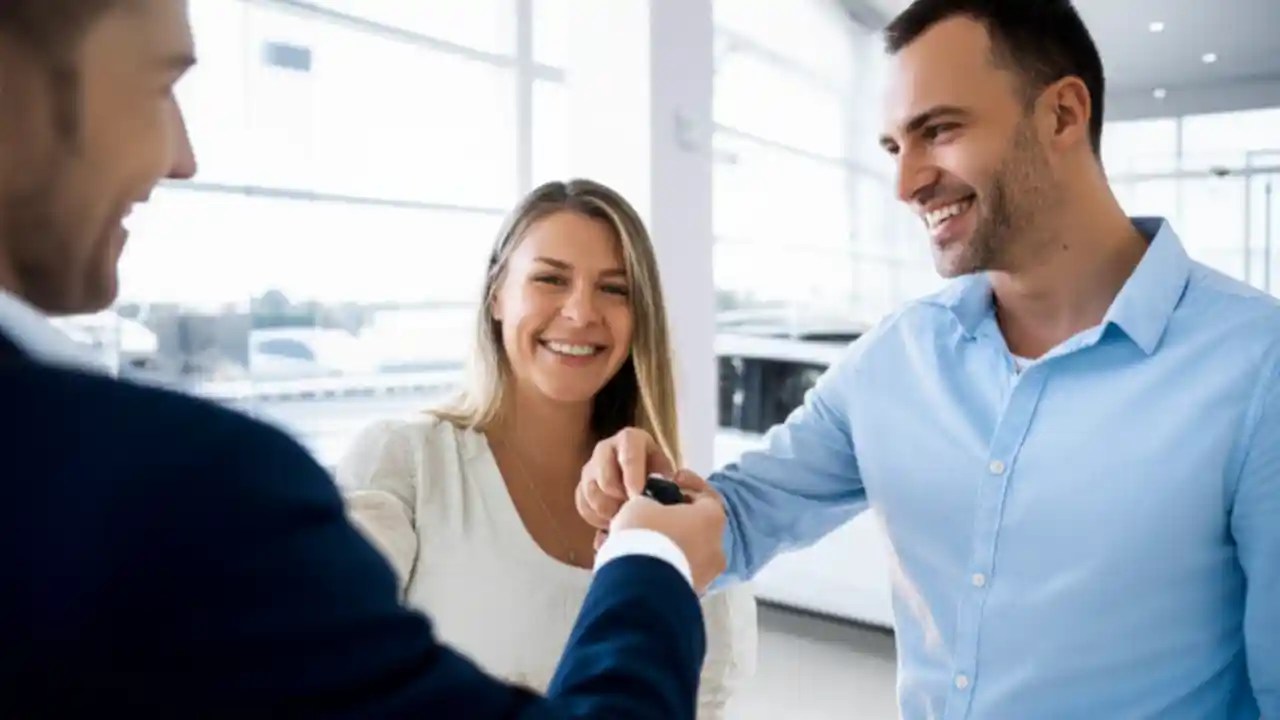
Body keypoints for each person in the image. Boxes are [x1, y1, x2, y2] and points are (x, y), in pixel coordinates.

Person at [0, 1, 726, 716]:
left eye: (614, 288)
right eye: (161, 82)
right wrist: (651, 560)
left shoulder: (678, 489)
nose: (184, 157)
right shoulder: (205, 487)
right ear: (495, 295)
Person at [577, 0, 1280, 717]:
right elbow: (747, 512)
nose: (907, 183)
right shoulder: (894, 357)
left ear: (1064, 114)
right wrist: (652, 496)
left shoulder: (1258, 368)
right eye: (893, 148)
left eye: (938, 131)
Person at [338, 179, 757, 718]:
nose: (581, 312)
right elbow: (326, 660)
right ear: (497, 297)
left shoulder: (674, 512)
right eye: (550, 279)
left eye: (615, 288)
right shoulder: (405, 463)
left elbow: (703, 698)